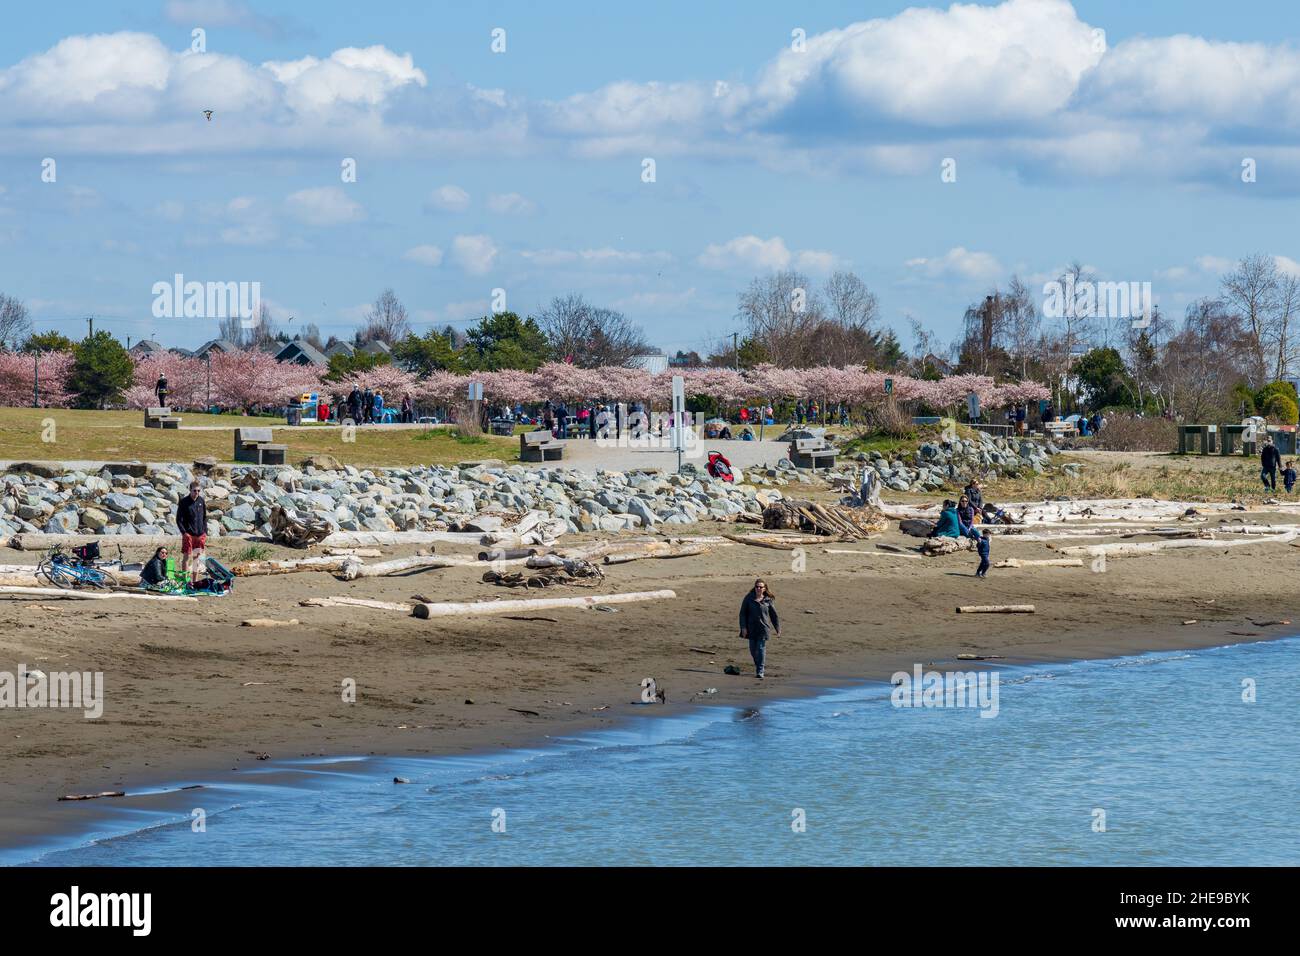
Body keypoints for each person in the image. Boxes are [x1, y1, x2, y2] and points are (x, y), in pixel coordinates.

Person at [739, 579, 779, 679]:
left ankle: (760, 670)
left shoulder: (768, 600)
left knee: (760, 649)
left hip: (763, 629)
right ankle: (759, 666)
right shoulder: (748, 598)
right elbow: (742, 614)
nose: (758, 588)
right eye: (757, 586)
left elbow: (774, 615)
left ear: (764, 588)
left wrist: (777, 628)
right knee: (753, 650)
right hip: (751, 628)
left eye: (761, 587)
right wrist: (743, 628)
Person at [176, 480, 207, 580]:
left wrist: (205, 532)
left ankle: (195, 581)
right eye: (194, 491)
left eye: (198, 491)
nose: (196, 493)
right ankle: (185, 580)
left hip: (200, 535)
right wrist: (184, 533)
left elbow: (204, 517)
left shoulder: (201, 501)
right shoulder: (184, 502)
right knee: (186, 558)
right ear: (190, 490)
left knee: (196, 559)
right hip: (188, 535)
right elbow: (178, 520)